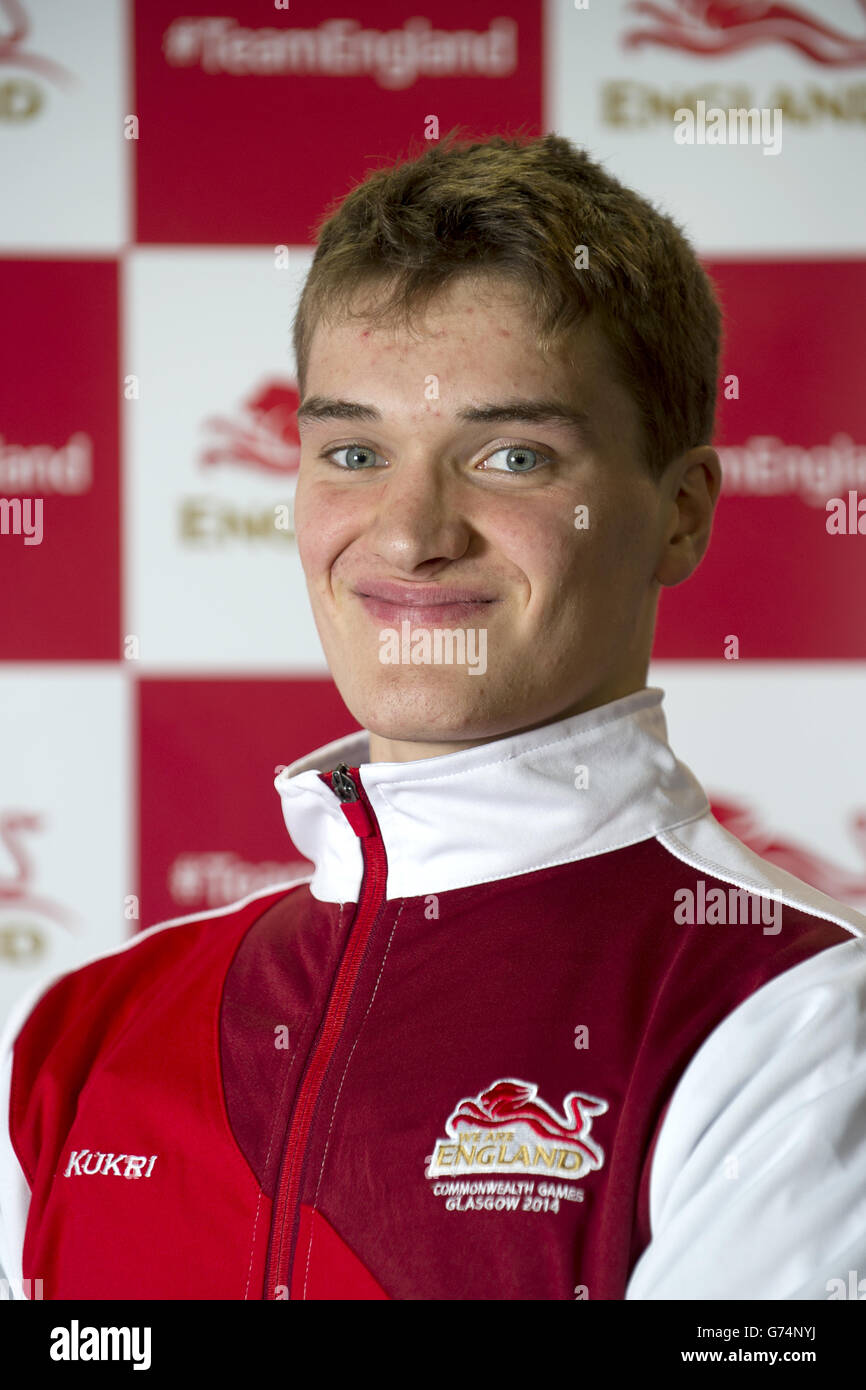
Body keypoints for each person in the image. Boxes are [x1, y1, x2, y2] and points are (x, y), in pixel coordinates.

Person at [2, 131, 865, 1301]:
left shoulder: (793, 1011)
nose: (410, 534)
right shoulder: (84, 1029)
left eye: (510, 455)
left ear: (678, 513)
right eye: (353, 450)